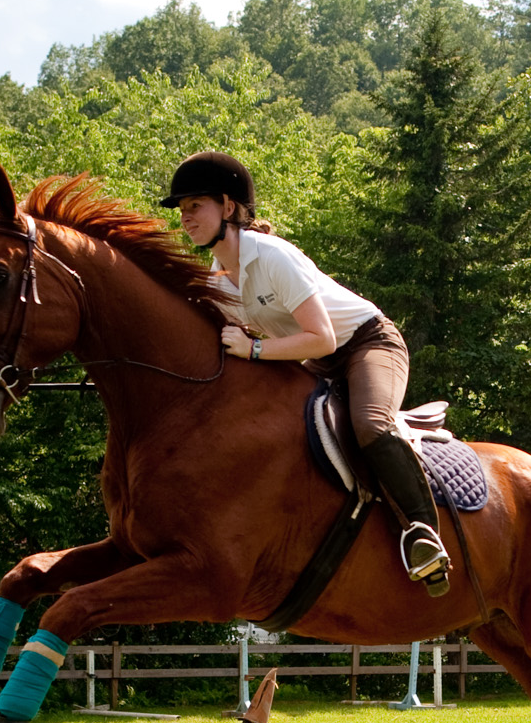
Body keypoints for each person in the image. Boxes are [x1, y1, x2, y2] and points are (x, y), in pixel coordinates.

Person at [159, 151, 451, 594]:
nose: (186, 218)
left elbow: (324, 338)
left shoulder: (273, 257)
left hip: (367, 344)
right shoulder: (218, 278)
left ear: (229, 207)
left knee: (370, 425)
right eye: (182, 211)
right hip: (313, 358)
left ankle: (423, 534)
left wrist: (255, 349)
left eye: (194, 206)